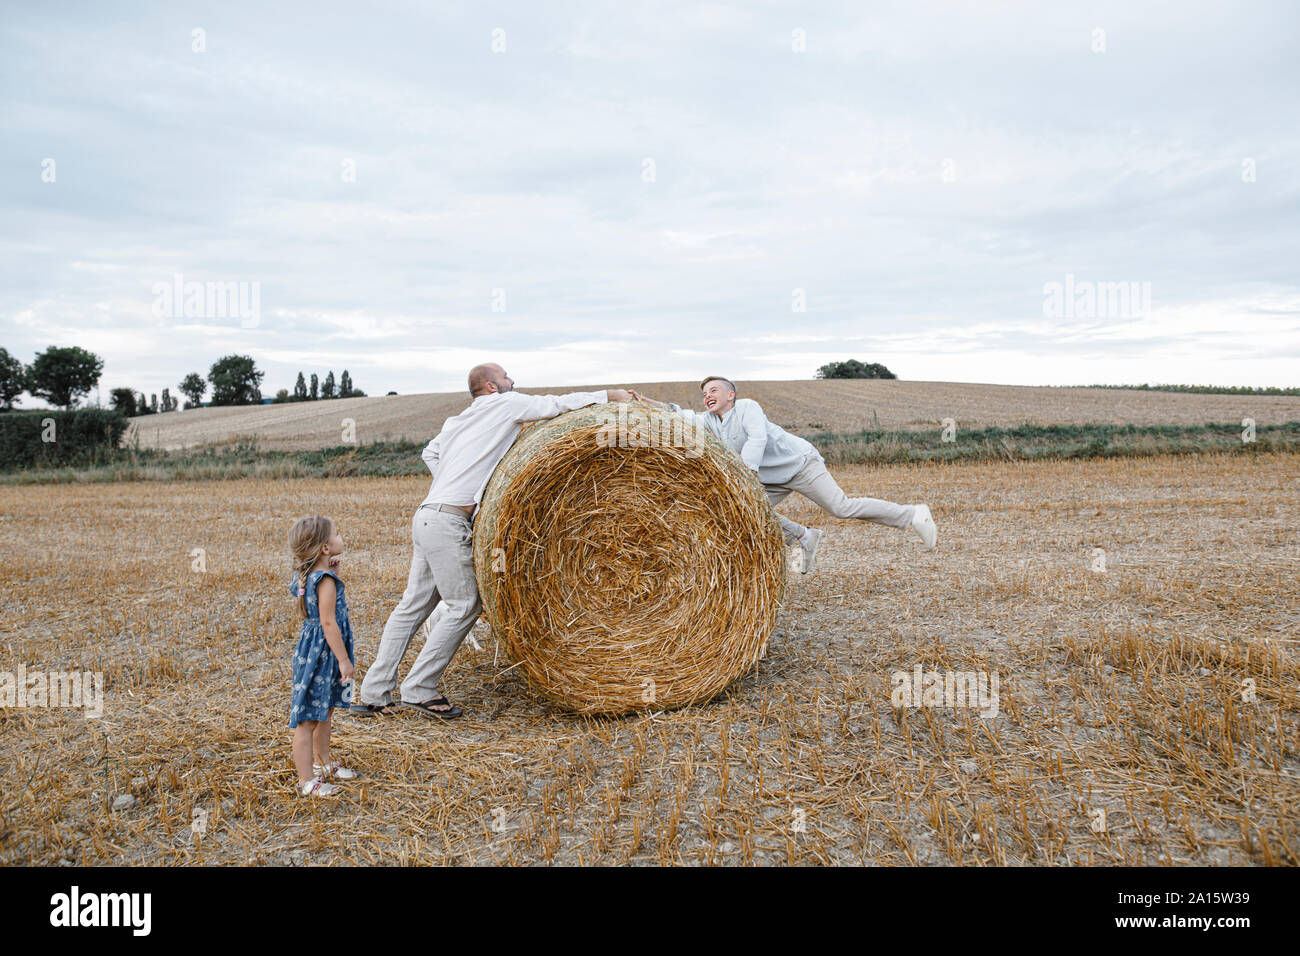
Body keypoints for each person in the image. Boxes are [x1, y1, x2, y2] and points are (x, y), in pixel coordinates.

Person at [353, 363, 634, 719]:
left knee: (413, 606)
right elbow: (557, 404)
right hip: (447, 523)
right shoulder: (506, 404)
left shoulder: (456, 422)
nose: (513, 382)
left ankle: (374, 692)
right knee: (465, 604)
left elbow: (430, 453)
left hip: (427, 515)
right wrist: (611, 396)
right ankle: (419, 688)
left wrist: (452, 484)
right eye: (506, 378)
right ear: (491, 386)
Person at [632, 376, 937, 573]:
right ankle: (805, 536)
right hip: (768, 479)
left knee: (841, 508)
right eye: (703, 394)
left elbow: (757, 439)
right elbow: (676, 414)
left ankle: (913, 514)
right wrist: (646, 404)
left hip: (801, 465)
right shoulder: (710, 422)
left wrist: (746, 474)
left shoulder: (748, 407)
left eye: (713, 390)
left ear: (731, 394)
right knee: (743, 511)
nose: (707, 396)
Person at [287, 515, 359, 797]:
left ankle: (323, 765)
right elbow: (328, 623)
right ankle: (306, 781)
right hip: (324, 653)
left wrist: (335, 572)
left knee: (324, 710)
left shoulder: (307, 576)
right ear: (325, 549)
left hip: (314, 650)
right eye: (337, 534)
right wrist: (343, 659)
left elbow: (315, 607)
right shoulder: (325, 581)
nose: (342, 537)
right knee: (307, 719)